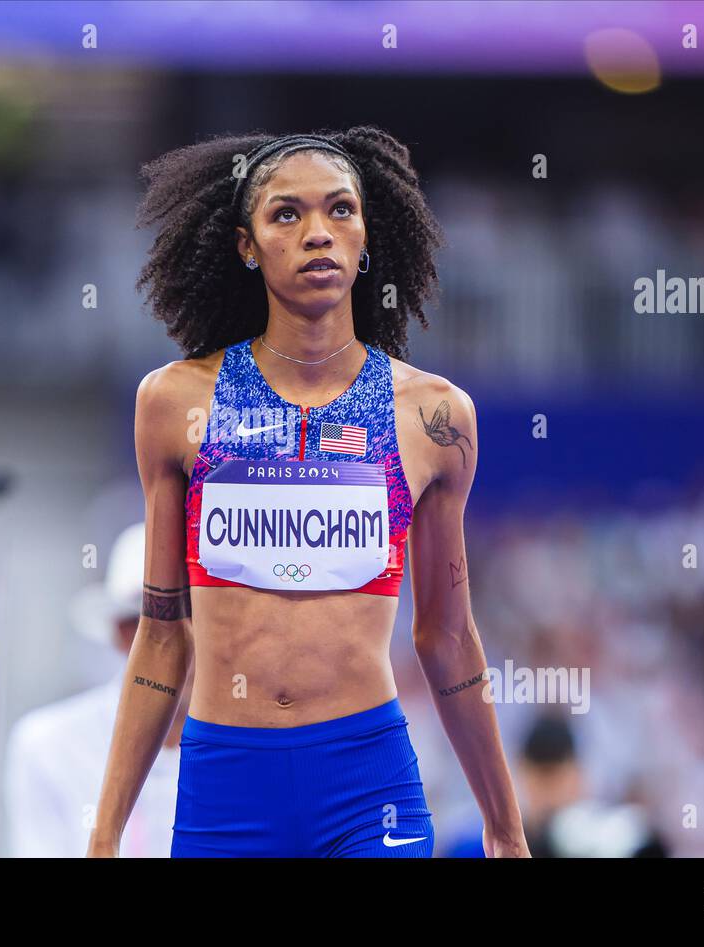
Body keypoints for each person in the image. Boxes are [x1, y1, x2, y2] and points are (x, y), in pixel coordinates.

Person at [88, 127, 529, 858]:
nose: (318, 233)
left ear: (366, 239)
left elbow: (446, 635)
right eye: (286, 214)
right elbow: (165, 634)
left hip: (367, 781)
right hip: (226, 782)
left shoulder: (433, 417)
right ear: (246, 244)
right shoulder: (173, 404)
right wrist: (103, 834)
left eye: (340, 210)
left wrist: (506, 828)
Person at [5, 522, 189, 856]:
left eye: (198, 616)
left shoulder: (255, 747)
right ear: (123, 633)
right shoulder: (48, 744)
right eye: (164, 623)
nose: (186, 638)